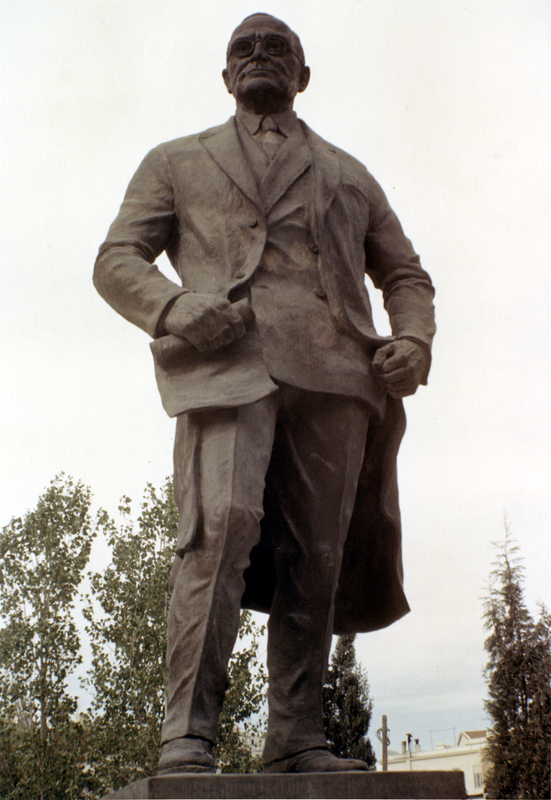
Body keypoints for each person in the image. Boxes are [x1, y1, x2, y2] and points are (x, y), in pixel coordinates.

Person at [94, 13, 436, 775]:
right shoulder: (177, 160)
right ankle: (186, 735)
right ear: (224, 77)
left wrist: (412, 340)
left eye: (276, 49)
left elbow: (404, 274)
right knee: (219, 534)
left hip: (337, 375)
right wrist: (176, 307)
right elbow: (117, 258)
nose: (259, 58)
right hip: (226, 367)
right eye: (242, 50)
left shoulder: (348, 171)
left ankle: (297, 737)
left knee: (317, 555)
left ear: (302, 76)